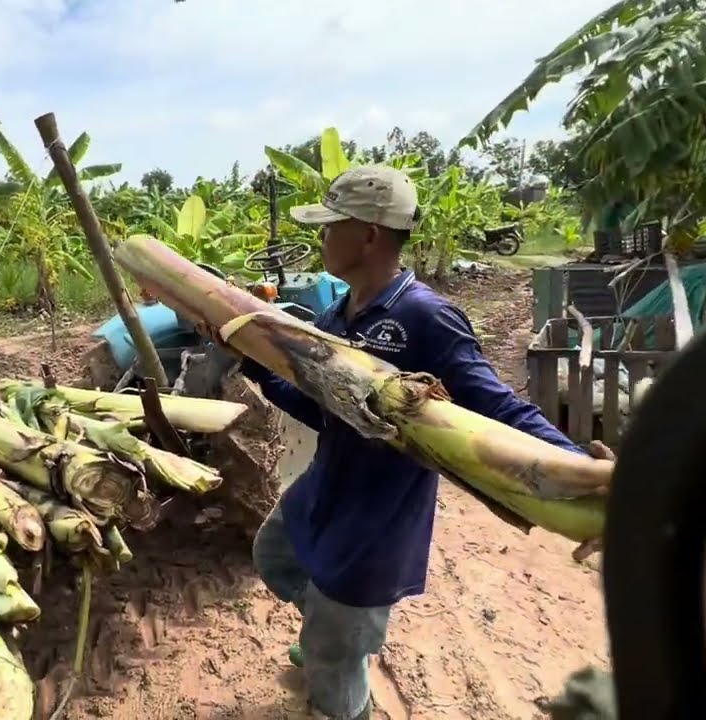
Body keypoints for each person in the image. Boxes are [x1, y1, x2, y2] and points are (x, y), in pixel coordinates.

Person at [204, 165, 611, 719]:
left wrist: (576, 466)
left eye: (331, 225)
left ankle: (341, 670)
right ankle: (338, 640)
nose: (321, 236)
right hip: (327, 485)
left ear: (369, 235)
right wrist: (251, 360)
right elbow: (319, 408)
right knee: (275, 556)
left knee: (335, 647)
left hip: (379, 515)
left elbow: (497, 406)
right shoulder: (335, 313)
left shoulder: (426, 316)